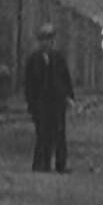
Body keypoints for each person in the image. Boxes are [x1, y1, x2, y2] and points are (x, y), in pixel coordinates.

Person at [23, 22, 74, 173]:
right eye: (44, 40)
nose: (47, 43)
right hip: (41, 104)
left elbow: (66, 79)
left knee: (59, 135)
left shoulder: (58, 58)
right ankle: (41, 164)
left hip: (57, 103)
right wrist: (31, 104)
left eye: (50, 40)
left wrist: (69, 97)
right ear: (39, 41)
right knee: (42, 135)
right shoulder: (33, 60)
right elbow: (29, 84)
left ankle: (60, 165)